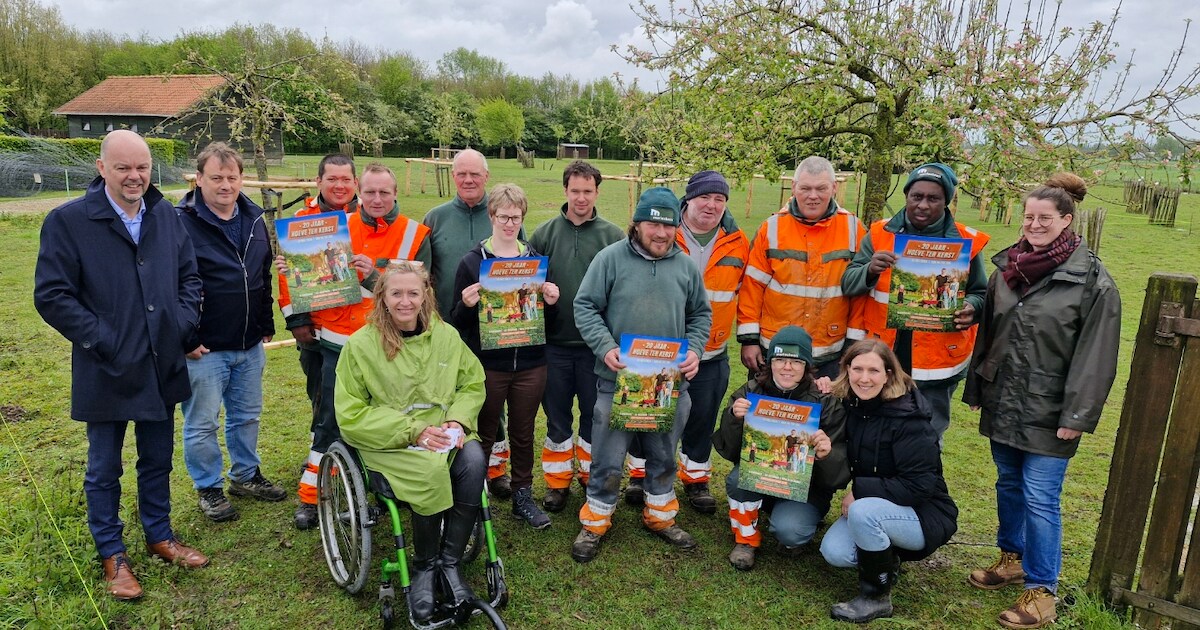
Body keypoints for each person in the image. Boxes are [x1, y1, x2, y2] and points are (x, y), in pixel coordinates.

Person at [34, 130, 208, 600]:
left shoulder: (166, 215)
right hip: (105, 366)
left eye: (143, 167)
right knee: (104, 467)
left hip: (161, 363)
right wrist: (103, 339)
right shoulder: (68, 222)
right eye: (124, 168)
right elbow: (52, 295)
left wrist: (181, 325)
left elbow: (189, 278)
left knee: (157, 458)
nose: (135, 177)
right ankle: (113, 555)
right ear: (101, 167)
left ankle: (160, 535)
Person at [963, 173, 1121, 630]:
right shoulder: (1007, 269)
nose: (1034, 225)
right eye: (1029, 217)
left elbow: (1097, 356)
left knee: (1041, 497)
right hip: (1004, 400)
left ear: (1067, 221)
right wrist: (978, 389)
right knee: (1008, 484)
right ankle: (1011, 558)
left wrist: (1077, 415)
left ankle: (1042, 592)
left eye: (1045, 218)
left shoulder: (1091, 281)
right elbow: (989, 335)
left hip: (1052, 409)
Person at [281, 159, 432, 529]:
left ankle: (387, 490)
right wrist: (296, 273)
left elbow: (423, 294)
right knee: (331, 420)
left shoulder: (416, 234)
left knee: (391, 420)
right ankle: (312, 496)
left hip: (391, 346)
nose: (377, 199)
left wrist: (375, 274)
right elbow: (312, 281)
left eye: (384, 192)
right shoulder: (332, 228)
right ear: (358, 194)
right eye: (370, 192)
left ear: (395, 193)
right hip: (338, 344)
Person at [334, 261, 487, 622]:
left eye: (413, 293)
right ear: (382, 297)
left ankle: (450, 565)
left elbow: (472, 382)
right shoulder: (360, 346)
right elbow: (352, 414)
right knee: (430, 471)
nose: (405, 301)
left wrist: (458, 419)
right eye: (396, 293)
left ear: (425, 296)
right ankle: (424, 567)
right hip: (390, 442)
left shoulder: (445, 336)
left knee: (475, 459)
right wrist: (412, 430)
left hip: (442, 436)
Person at [570, 186, 712, 563]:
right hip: (616, 382)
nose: (662, 234)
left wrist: (695, 349)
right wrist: (605, 346)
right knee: (608, 456)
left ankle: (660, 515)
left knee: (664, 453)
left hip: (670, 386)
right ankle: (596, 520)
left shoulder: (685, 266)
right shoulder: (610, 259)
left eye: (668, 227)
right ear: (637, 225)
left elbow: (701, 315)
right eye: (653, 225)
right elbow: (584, 305)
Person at [626, 169, 751, 514]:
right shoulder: (665, 232)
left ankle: (695, 478)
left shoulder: (738, 241)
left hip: (710, 350)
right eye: (704, 197)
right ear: (688, 199)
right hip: (659, 351)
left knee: (701, 417)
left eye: (720, 199)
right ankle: (639, 474)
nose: (712, 205)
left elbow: (747, 291)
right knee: (647, 413)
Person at [842, 162, 990, 449]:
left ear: (946, 201)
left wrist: (971, 307)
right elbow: (849, 284)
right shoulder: (878, 234)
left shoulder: (966, 242)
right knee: (873, 434)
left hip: (936, 363)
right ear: (907, 196)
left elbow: (982, 294)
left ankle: (917, 491)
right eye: (916, 196)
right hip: (883, 355)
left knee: (925, 439)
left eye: (933, 198)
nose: (923, 205)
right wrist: (870, 270)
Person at [176, 142, 285, 523]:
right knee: (202, 421)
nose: (225, 185)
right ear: (199, 179)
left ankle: (245, 475)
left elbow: (261, 274)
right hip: (204, 347)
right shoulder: (180, 221)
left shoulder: (254, 217)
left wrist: (266, 322)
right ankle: (208, 487)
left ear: (241, 179)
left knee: (247, 415)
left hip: (249, 342)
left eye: (232, 177)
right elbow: (167, 283)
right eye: (216, 177)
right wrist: (185, 336)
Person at [819, 339, 958, 623]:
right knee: (834, 551)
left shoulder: (910, 419)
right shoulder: (855, 404)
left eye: (874, 370)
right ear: (846, 370)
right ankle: (887, 559)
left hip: (924, 513)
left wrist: (860, 491)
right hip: (882, 504)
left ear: (889, 374)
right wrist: (820, 385)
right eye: (857, 369)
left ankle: (875, 598)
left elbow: (920, 486)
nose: (864, 378)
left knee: (862, 512)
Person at [451, 183, 559, 530]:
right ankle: (474, 497)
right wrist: (467, 306)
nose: (509, 223)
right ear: (492, 216)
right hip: (489, 365)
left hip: (530, 364)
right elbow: (456, 322)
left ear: (522, 218)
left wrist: (553, 302)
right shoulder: (473, 262)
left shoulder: (535, 262)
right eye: (503, 216)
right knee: (482, 433)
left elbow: (547, 322)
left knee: (523, 432)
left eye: (516, 217)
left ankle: (522, 495)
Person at [529, 160, 625, 513]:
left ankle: (589, 475)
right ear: (565, 191)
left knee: (592, 415)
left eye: (588, 191)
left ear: (597, 192)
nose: (581, 198)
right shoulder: (543, 234)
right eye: (575, 191)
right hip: (553, 345)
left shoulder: (613, 236)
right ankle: (557, 482)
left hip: (595, 349)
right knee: (556, 417)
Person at [711, 326, 847, 571]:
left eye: (795, 362)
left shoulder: (825, 401)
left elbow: (837, 475)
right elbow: (729, 451)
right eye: (780, 359)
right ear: (770, 362)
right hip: (764, 473)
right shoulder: (750, 392)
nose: (787, 367)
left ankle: (795, 517)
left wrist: (826, 454)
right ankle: (745, 539)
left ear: (807, 365)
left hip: (806, 486)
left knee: (790, 533)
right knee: (735, 479)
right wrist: (734, 418)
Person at [424, 149, 519, 497]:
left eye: (475, 174)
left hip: (498, 330)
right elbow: (424, 275)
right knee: (451, 398)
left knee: (495, 401)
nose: (468, 180)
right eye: (461, 174)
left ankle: (496, 469)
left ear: (486, 176)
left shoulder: (500, 218)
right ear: (453, 176)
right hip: (450, 328)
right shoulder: (435, 218)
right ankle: (457, 463)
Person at [738, 156, 865, 381]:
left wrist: (854, 345)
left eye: (821, 188)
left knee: (828, 416)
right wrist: (749, 340)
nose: (813, 196)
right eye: (805, 188)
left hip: (830, 354)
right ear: (794, 187)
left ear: (834, 188)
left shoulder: (854, 229)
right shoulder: (772, 228)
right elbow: (752, 286)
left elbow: (860, 294)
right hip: (775, 351)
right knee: (769, 413)